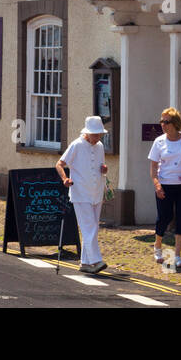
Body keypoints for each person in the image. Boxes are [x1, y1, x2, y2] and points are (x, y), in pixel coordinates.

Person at [57, 116, 110, 274]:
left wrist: (104, 169)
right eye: (95, 134)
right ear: (87, 133)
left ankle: (86, 263)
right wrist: (65, 179)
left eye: (99, 134)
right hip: (80, 192)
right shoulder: (77, 145)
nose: (97, 137)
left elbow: (100, 165)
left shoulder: (100, 146)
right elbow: (60, 164)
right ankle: (96, 260)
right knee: (89, 227)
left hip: (97, 191)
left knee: (93, 227)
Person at [147, 107, 181, 268]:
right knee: (164, 217)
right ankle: (158, 246)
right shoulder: (159, 142)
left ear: (175, 123)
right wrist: (157, 185)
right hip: (164, 185)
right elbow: (153, 167)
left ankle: (177, 256)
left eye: (166, 122)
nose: (162, 124)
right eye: (161, 121)